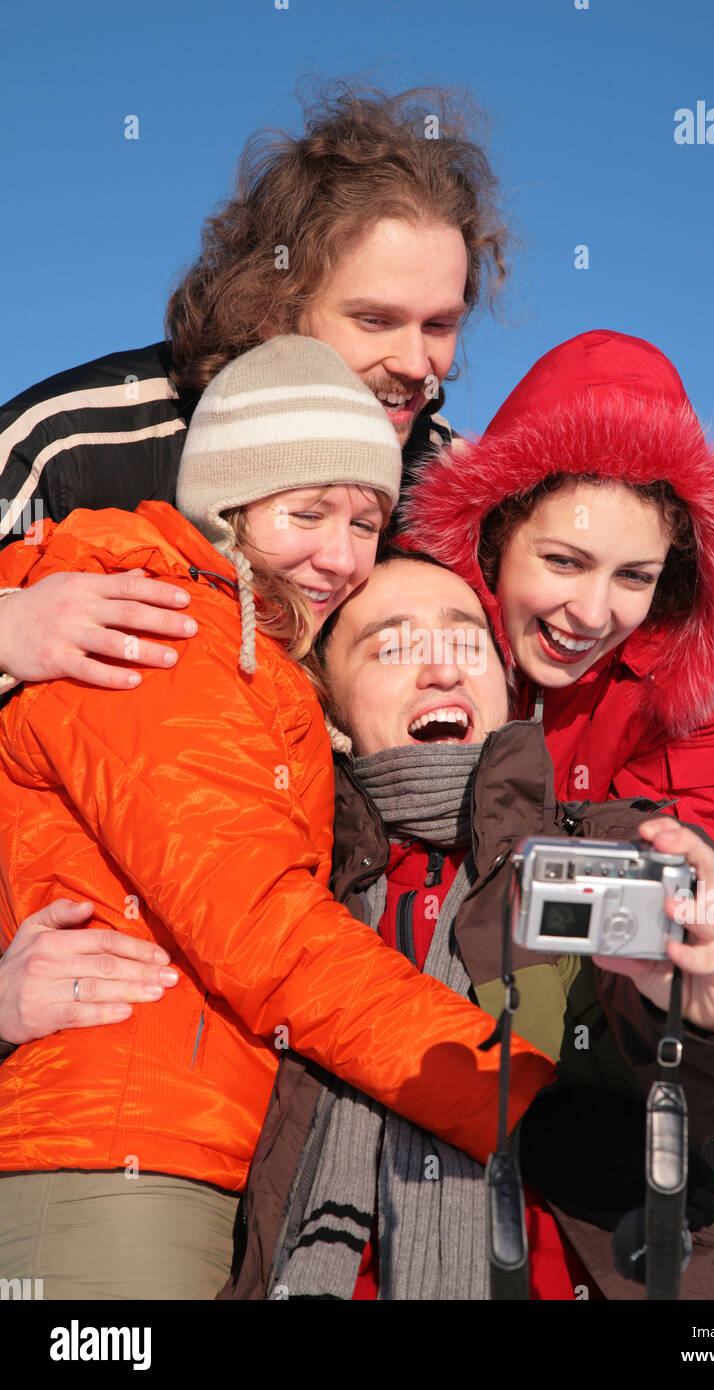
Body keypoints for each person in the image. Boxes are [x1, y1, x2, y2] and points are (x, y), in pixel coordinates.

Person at [0, 337, 554, 1300]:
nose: (340, 558)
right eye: (306, 513)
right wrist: (513, 1094)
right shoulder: (157, 626)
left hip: (192, 1160)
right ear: (229, 507)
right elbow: (265, 929)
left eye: (367, 521)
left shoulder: (253, 659)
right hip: (116, 1163)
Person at [222, 551, 714, 1300]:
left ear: (505, 683)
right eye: (392, 647)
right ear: (327, 704)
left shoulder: (609, 844)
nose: (442, 670)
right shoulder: (280, 889)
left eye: (468, 641)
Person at [0, 79, 503, 692]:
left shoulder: (447, 483)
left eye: (440, 325)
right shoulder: (76, 444)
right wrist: (9, 626)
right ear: (271, 305)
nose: (416, 362)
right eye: (375, 320)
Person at [404, 329, 714, 871]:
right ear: (495, 533)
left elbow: (685, 884)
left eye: (634, 576)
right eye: (563, 562)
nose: (593, 613)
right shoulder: (415, 637)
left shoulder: (684, 686)